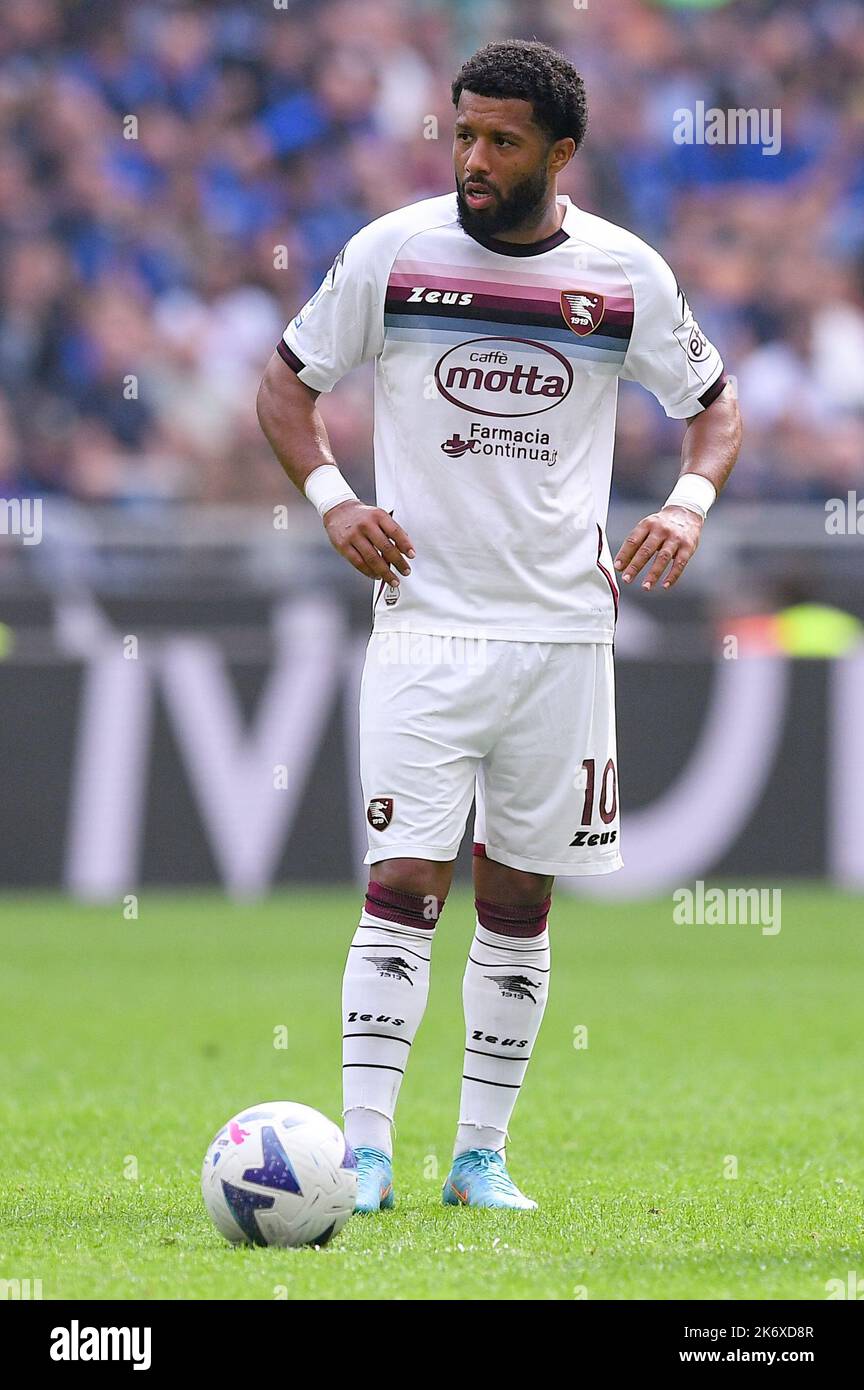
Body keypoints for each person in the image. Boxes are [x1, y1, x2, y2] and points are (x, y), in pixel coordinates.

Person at [257, 38, 742, 1213]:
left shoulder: (625, 275)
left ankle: (479, 1157)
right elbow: (285, 384)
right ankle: (365, 1153)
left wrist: (686, 505)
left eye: (500, 140)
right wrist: (333, 502)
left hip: (563, 636)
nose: (472, 158)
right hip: (425, 623)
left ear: (559, 152)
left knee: (520, 897)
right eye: (462, 133)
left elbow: (715, 408)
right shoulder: (395, 254)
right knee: (406, 880)